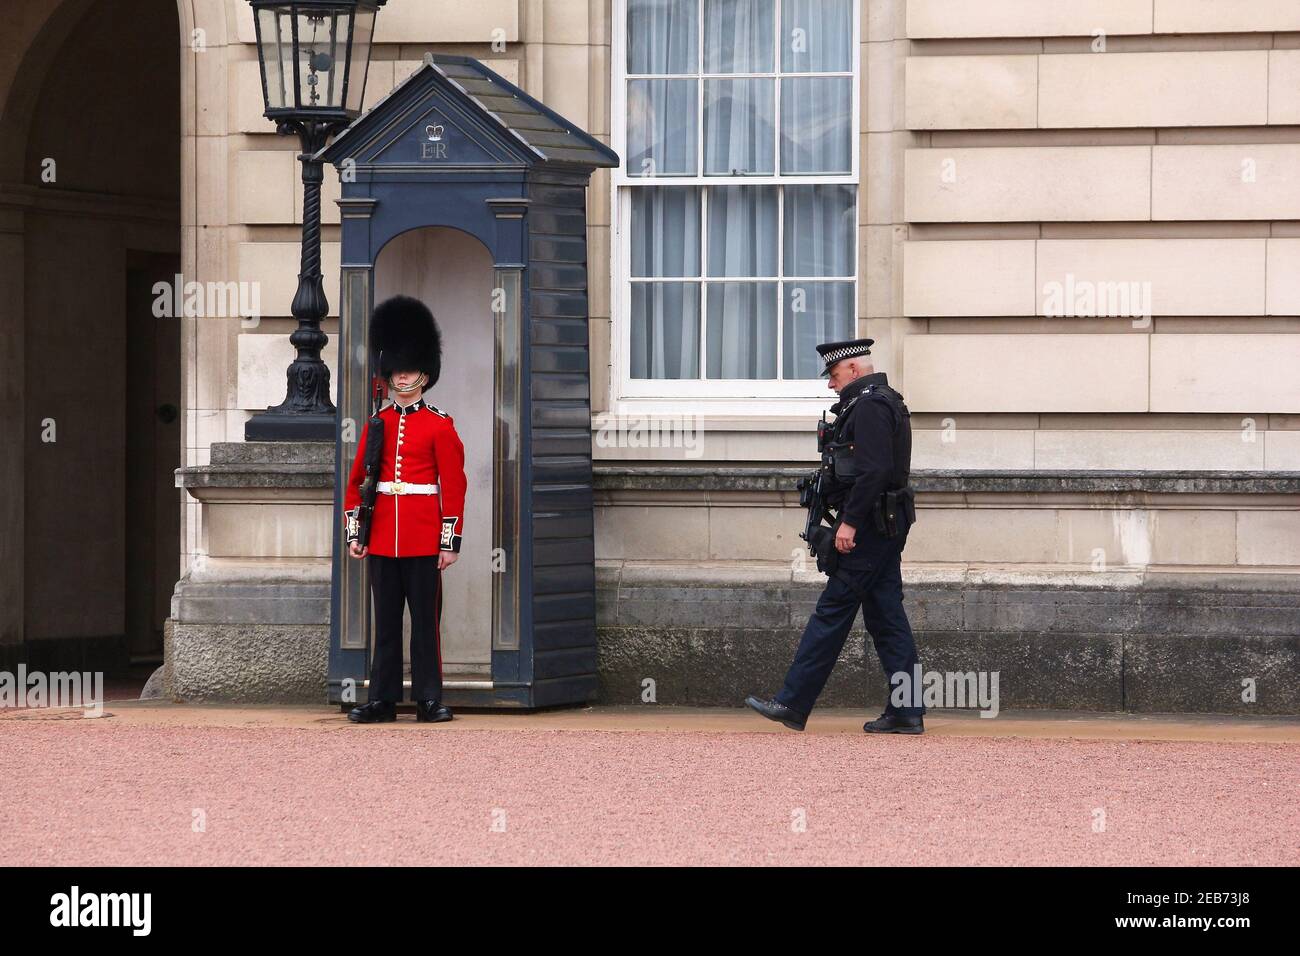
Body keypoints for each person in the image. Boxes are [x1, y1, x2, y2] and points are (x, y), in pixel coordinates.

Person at [745, 337, 925, 734]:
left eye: (834, 374)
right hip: (883, 526)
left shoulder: (873, 405)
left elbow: (874, 471)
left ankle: (793, 702)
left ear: (854, 370)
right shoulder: (877, 401)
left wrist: (850, 523)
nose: (830, 383)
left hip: (870, 530)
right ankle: (907, 711)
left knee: (832, 612)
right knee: (886, 618)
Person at [343, 295, 467, 724]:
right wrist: (356, 532)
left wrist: (448, 542)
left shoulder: (439, 424)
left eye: (409, 368)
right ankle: (382, 699)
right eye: (396, 368)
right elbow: (359, 481)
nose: (401, 375)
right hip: (382, 539)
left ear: (425, 373)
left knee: (426, 627)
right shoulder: (378, 423)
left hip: (422, 536)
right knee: (387, 624)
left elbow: (454, 486)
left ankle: (428, 698)